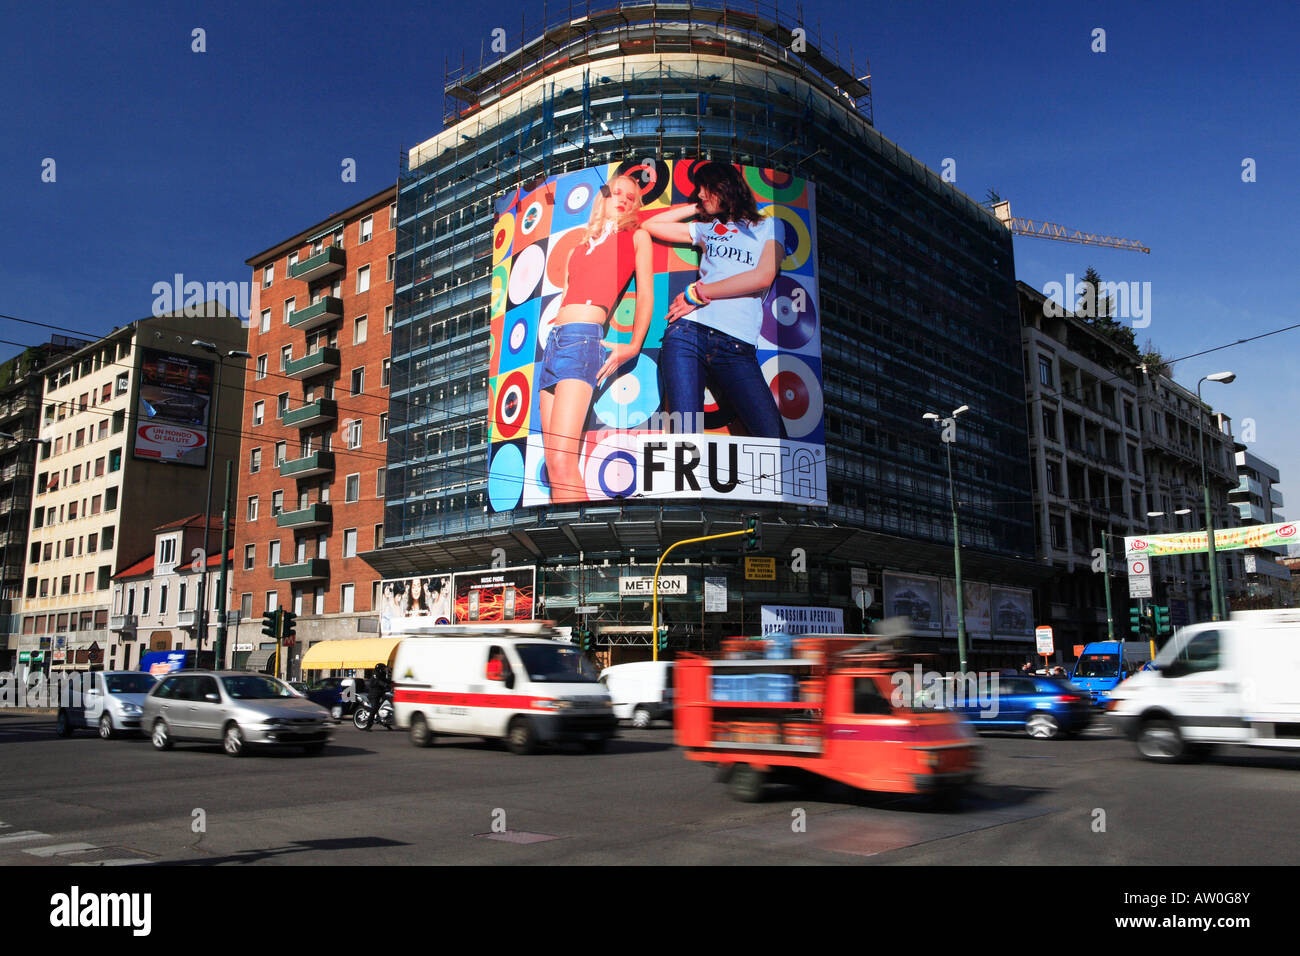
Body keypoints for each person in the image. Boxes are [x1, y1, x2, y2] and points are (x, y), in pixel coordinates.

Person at [642, 162, 787, 439]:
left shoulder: (770, 225)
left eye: (704, 189)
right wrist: (698, 208)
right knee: (685, 438)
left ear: (723, 187)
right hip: (687, 336)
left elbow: (762, 277)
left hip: (736, 346)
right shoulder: (707, 229)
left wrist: (697, 293)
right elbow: (650, 225)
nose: (699, 194)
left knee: (776, 442)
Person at [537, 174, 655, 503]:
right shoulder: (578, 246)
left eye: (631, 198)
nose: (623, 200)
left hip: (584, 340)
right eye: (616, 193)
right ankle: (564, 551)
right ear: (602, 198)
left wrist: (633, 346)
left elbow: (647, 296)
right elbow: (565, 296)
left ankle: (581, 553)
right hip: (553, 344)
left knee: (561, 460)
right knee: (554, 465)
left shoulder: (637, 236)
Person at [365, 662, 391, 732]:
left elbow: (386, 680)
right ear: (380, 669)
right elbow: (379, 681)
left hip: (381, 693)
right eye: (383, 668)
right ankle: (368, 726)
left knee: (388, 704)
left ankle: (386, 721)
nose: (385, 670)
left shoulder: (382, 675)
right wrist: (385, 685)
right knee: (374, 709)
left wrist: (393, 682)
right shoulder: (375, 675)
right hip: (374, 695)